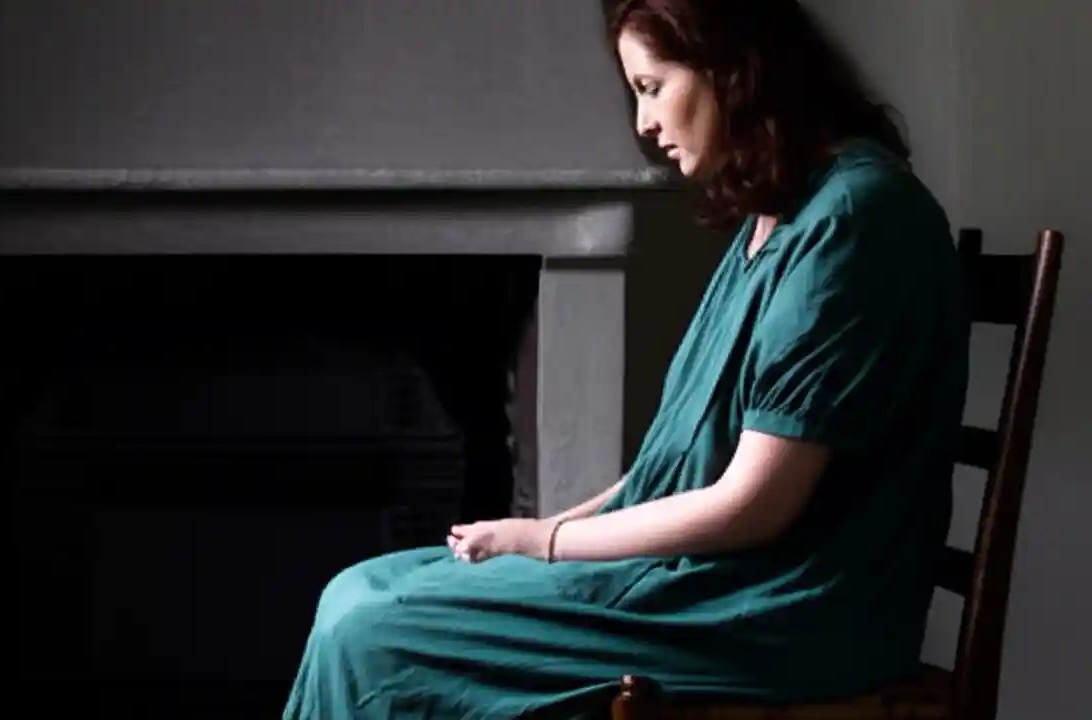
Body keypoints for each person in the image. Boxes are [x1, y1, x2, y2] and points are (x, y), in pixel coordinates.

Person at [282, 0, 969, 717]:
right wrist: (539, 535)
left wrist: (547, 540)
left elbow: (755, 506)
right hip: (706, 581)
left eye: (651, 87)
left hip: (776, 615)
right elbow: (659, 477)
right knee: (355, 592)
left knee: (369, 632)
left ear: (733, 70)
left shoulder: (853, 220)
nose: (643, 123)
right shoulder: (782, 215)